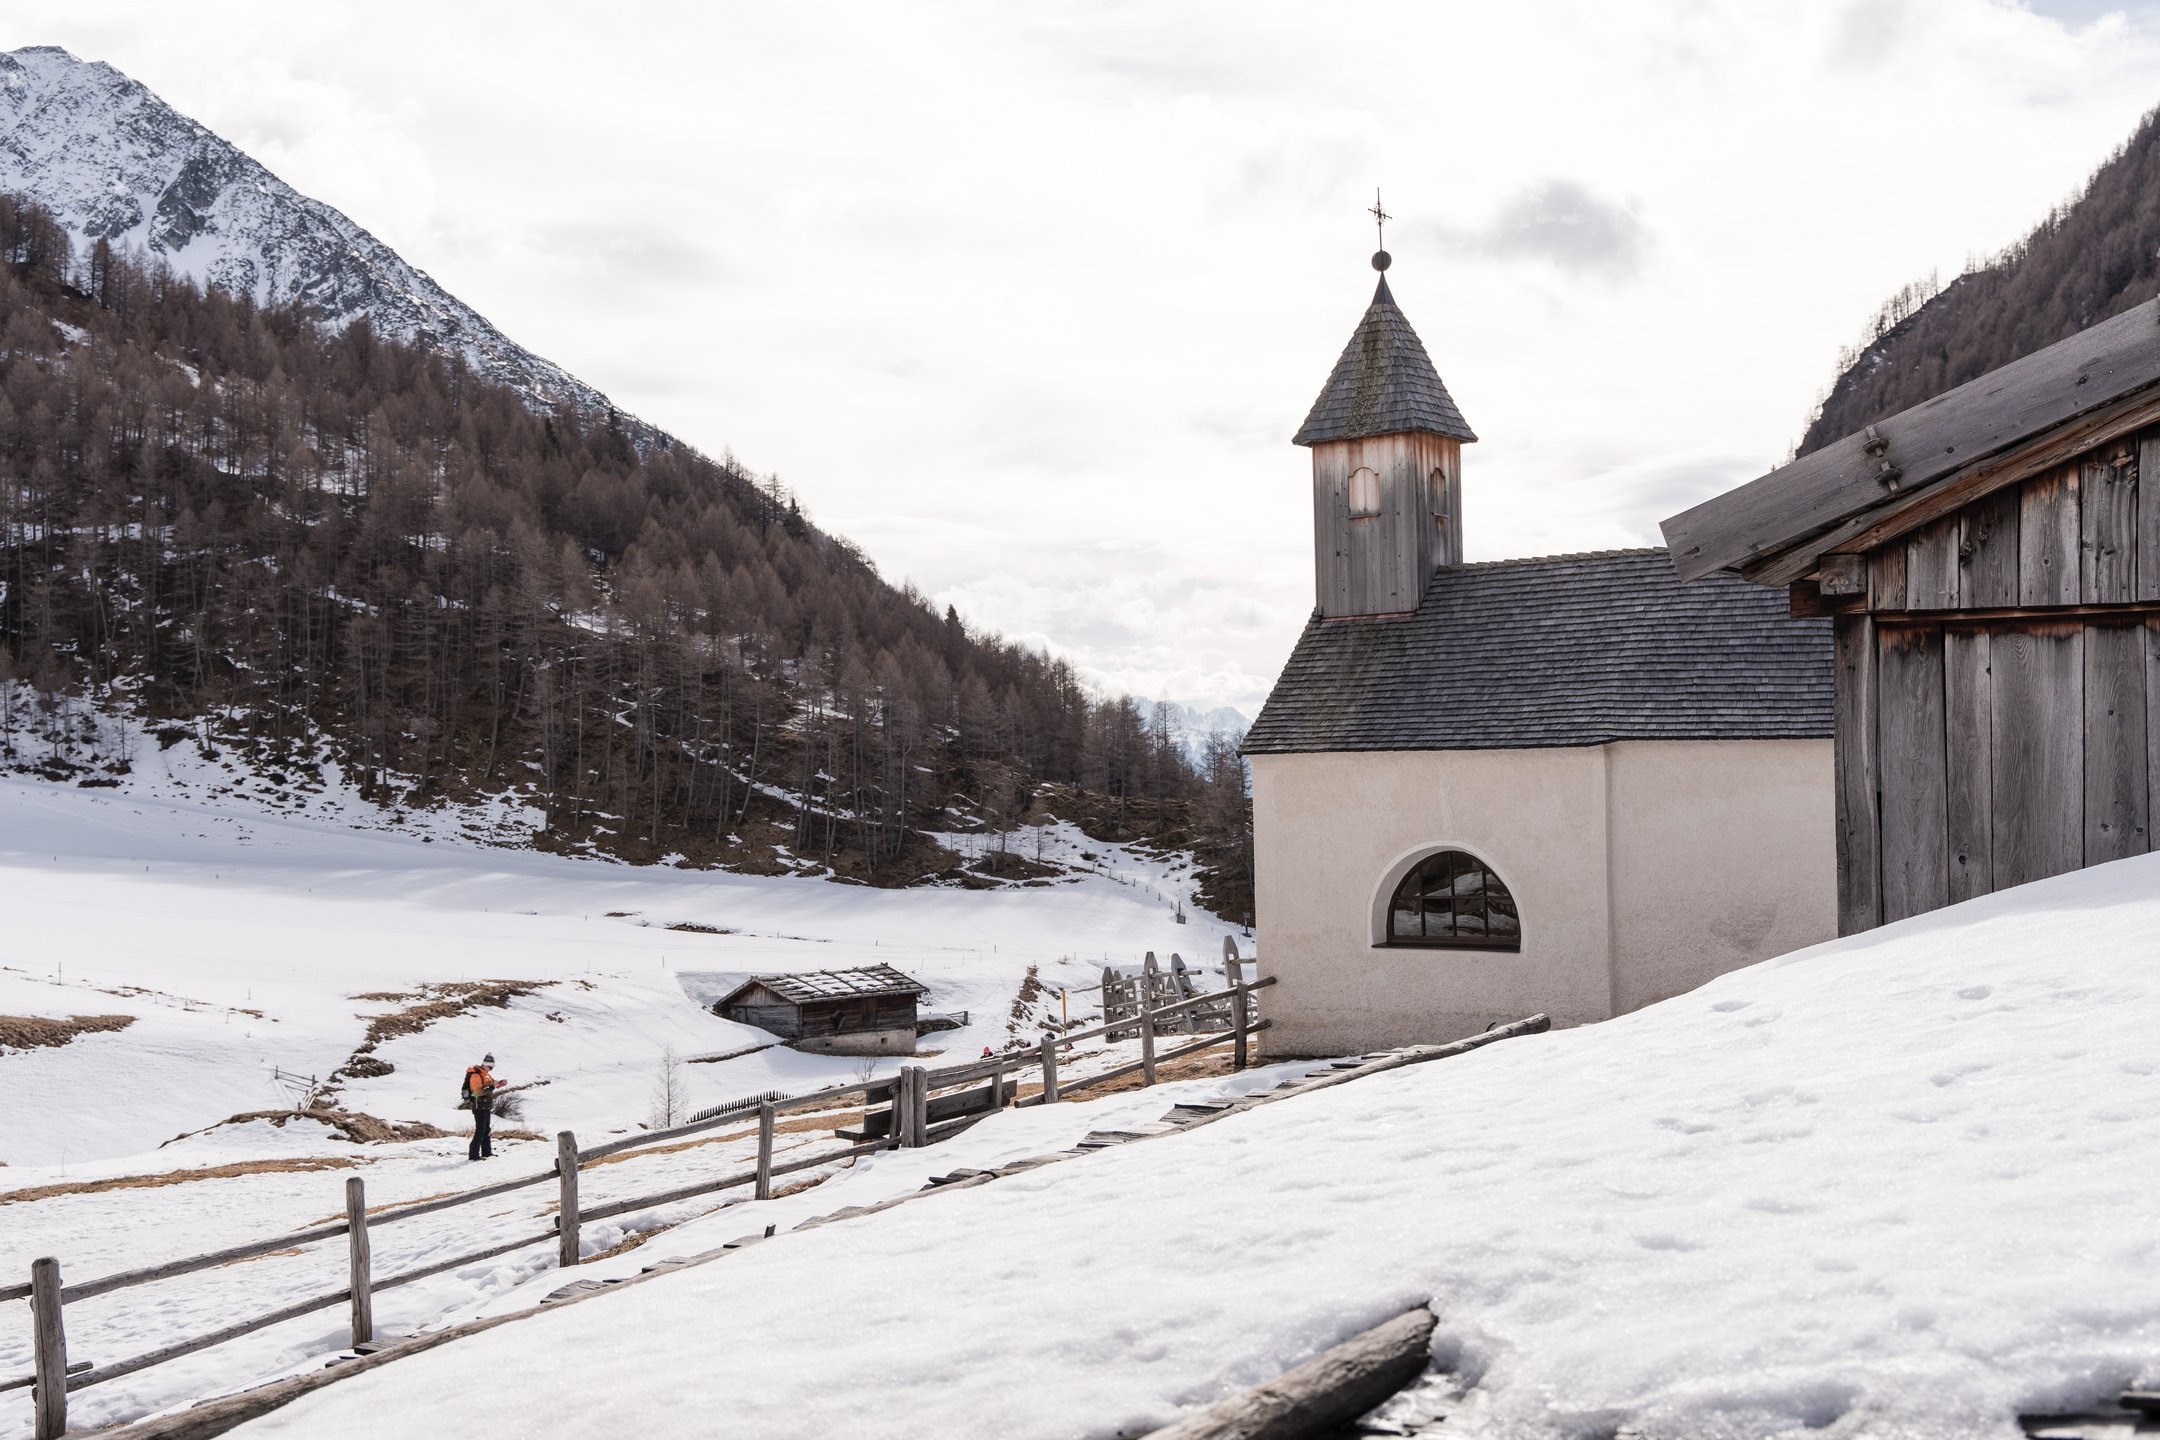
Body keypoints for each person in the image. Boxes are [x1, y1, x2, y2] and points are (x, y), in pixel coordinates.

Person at [463, 1054, 502, 1161]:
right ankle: (473, 1155)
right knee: (480, 1130)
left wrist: (499, 1084)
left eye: (492, 1067)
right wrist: (493, 1086)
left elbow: (489, 1086)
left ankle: (487, 1152)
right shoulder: (476, 1075)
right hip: (478, 1105)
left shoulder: (485, 1074)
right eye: (491, 1067)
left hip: (486, 1105)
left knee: (486, 1129)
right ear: (485, 1065)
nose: (491, 1069)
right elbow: (478, 1092)